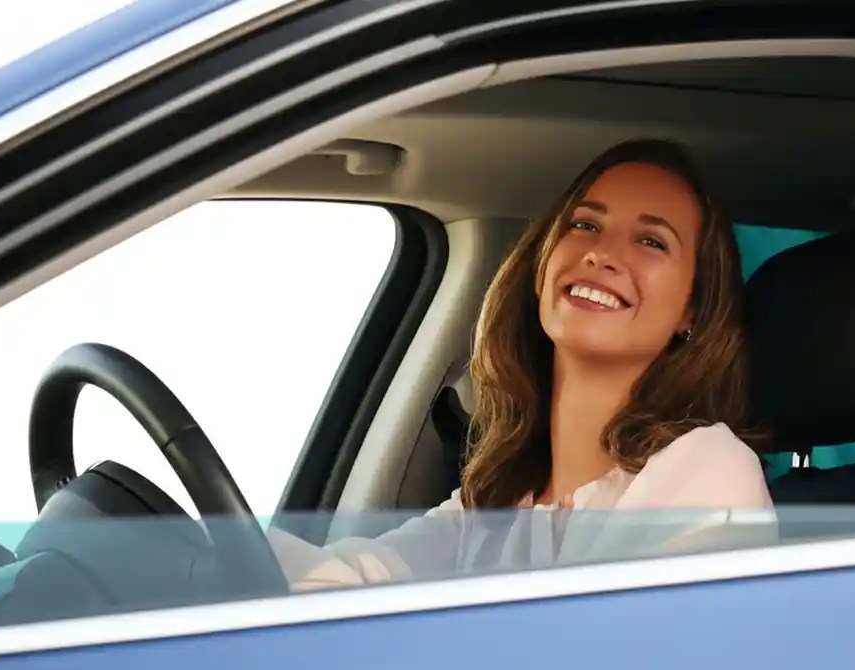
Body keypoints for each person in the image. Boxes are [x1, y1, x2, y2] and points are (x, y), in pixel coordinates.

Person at [269, 138, 776, 590]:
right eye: (584, 224)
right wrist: (217, 559)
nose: (601, 253)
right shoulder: (493, 504)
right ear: (542, 266)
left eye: (651, 241)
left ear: (693, 308)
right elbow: (352, 582)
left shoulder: (709, 467)